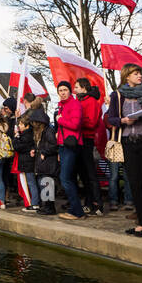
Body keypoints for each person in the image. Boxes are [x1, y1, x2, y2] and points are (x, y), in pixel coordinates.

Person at [111, 64, 142, 237]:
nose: (139, 76)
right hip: (128, 143)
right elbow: (110, 119)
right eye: (135, 73)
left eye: (140, 73)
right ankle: (141, 222)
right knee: (134, 183)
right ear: (127, 76)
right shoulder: (117, 95)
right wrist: (124, 120)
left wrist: (141, 116)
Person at [54, 81, 86, 220]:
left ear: (70, 91)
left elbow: (75, 124)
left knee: (65, 178)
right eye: (60, 90)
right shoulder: (61, 105)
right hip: (63, 145)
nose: (62, 92)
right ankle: (74, 209)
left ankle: (77, 211)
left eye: (65, 90)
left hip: (71, 145)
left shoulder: (74, 104)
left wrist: (60, 120)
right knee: (69, 178)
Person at [73, 77, 105, 215]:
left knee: (90, 174)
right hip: (79, 140)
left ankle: (98, 204)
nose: (74, 90)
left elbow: (91, 123)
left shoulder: (91, 102)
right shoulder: (79, 101)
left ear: (84, 88)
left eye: (77, 87)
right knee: (84, 174)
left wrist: (75, 122)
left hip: (87, 140)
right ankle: (88, 202)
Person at [29, 108, 59, 215]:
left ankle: (49, 208)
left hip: (48, 162)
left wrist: (44, 153)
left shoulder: (48, 131)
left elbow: (54, 145)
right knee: (44, 184)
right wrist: (34, 149)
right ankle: (46, 206)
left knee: (47, 185)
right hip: (43, 163)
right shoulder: (42, 132)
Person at [13, 104, 40, 211]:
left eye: (21, 124)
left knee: (31, 182)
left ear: (27, 125)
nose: (19, 125)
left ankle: (34, 203)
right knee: (31, 182)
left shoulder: (26, 136)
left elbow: (18, 147)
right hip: (26, 162)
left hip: (27, 162)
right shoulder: (27, 134)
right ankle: (34, 202)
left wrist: (16, 138)